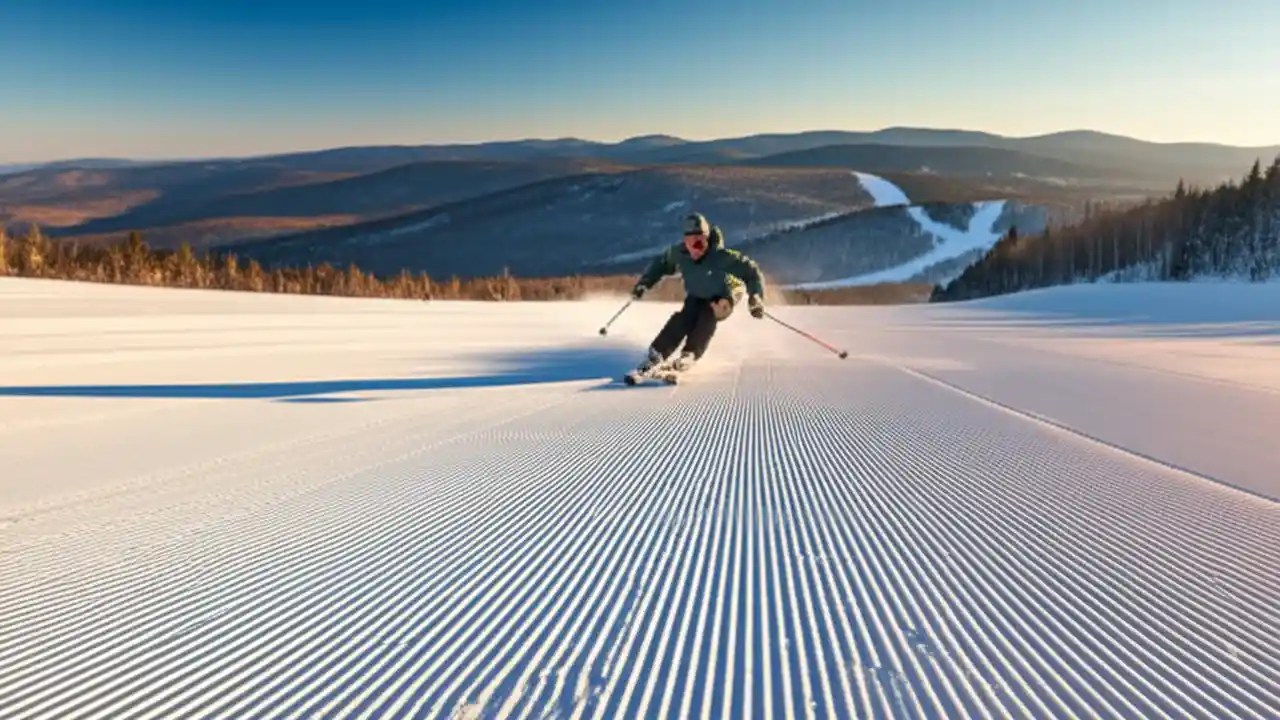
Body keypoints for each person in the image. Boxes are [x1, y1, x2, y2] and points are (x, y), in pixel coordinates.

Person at [629, 212, 766, 375]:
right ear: (685, 241)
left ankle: (691, 353)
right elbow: (661, 264)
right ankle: (658, 352)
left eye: (700, 243)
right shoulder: (680, 254)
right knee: (685, 317)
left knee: (708, 315)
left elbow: (751, 272)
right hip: (696, 294)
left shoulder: (720, 257)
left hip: (723, 296)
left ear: (707, 239)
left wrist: (755, 297)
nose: (695, 248)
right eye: (690, 242)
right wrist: (644, 283)